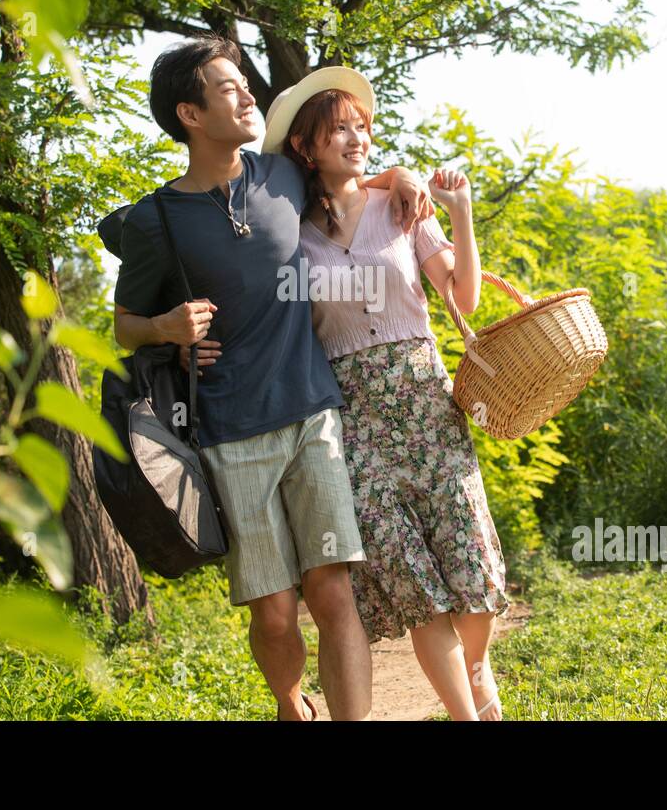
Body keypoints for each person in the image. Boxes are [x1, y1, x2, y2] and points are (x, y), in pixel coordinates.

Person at [110, 36, 433, 721]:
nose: (247, 96)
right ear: (190, 114)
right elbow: (125, 324)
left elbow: (349, 168)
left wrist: (401, 174)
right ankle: (290, 700)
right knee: (278, 613)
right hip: (231, 431)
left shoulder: (282, 176)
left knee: (333, 590)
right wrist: (166, 330)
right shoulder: (155, 219)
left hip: (314, 411)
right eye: (228, 88)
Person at [264, 66, 511, 720]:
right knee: (414, 584)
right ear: (304, 147)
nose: (356, 139)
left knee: (470, 566)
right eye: (338, 129)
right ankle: (469, 715)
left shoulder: (401, 206)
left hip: (427, 401)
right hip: (359, 424)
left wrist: (458, 212)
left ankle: (479, 670)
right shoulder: (291, 236)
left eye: (362, 128)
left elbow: (463, 295)